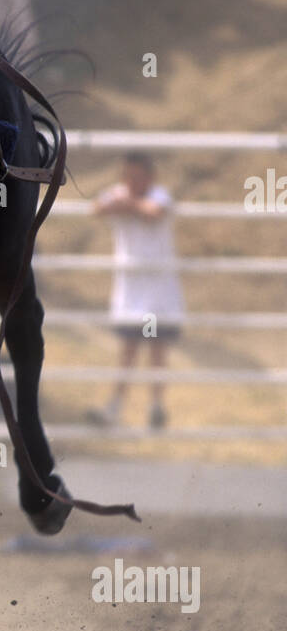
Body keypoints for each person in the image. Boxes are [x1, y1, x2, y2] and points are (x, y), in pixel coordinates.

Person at [92, 151, 184, 430]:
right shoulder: (119, 193)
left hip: (157, 291)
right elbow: (96, 209)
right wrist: (123, 203)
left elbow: (153, 213)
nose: (131, 181)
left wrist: (127, 204)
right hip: (131, 291)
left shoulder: (159, 195)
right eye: (128, 176)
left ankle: (156, 406)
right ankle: (116, 406)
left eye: (137, 176)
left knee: (157, 349)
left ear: (149, 176)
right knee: (129, 349)